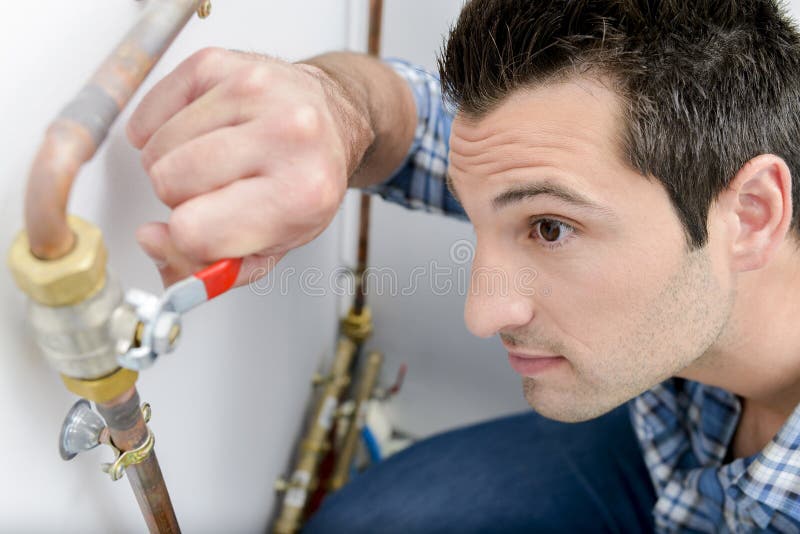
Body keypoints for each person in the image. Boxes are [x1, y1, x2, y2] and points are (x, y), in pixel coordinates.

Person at [126, 0, 800, 531]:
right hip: (661, 441)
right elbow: (408, 115)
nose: (482, 315)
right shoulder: (570, 156)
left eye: (550, 228)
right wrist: (335, 107)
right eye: (481, 217)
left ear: (751, 215)